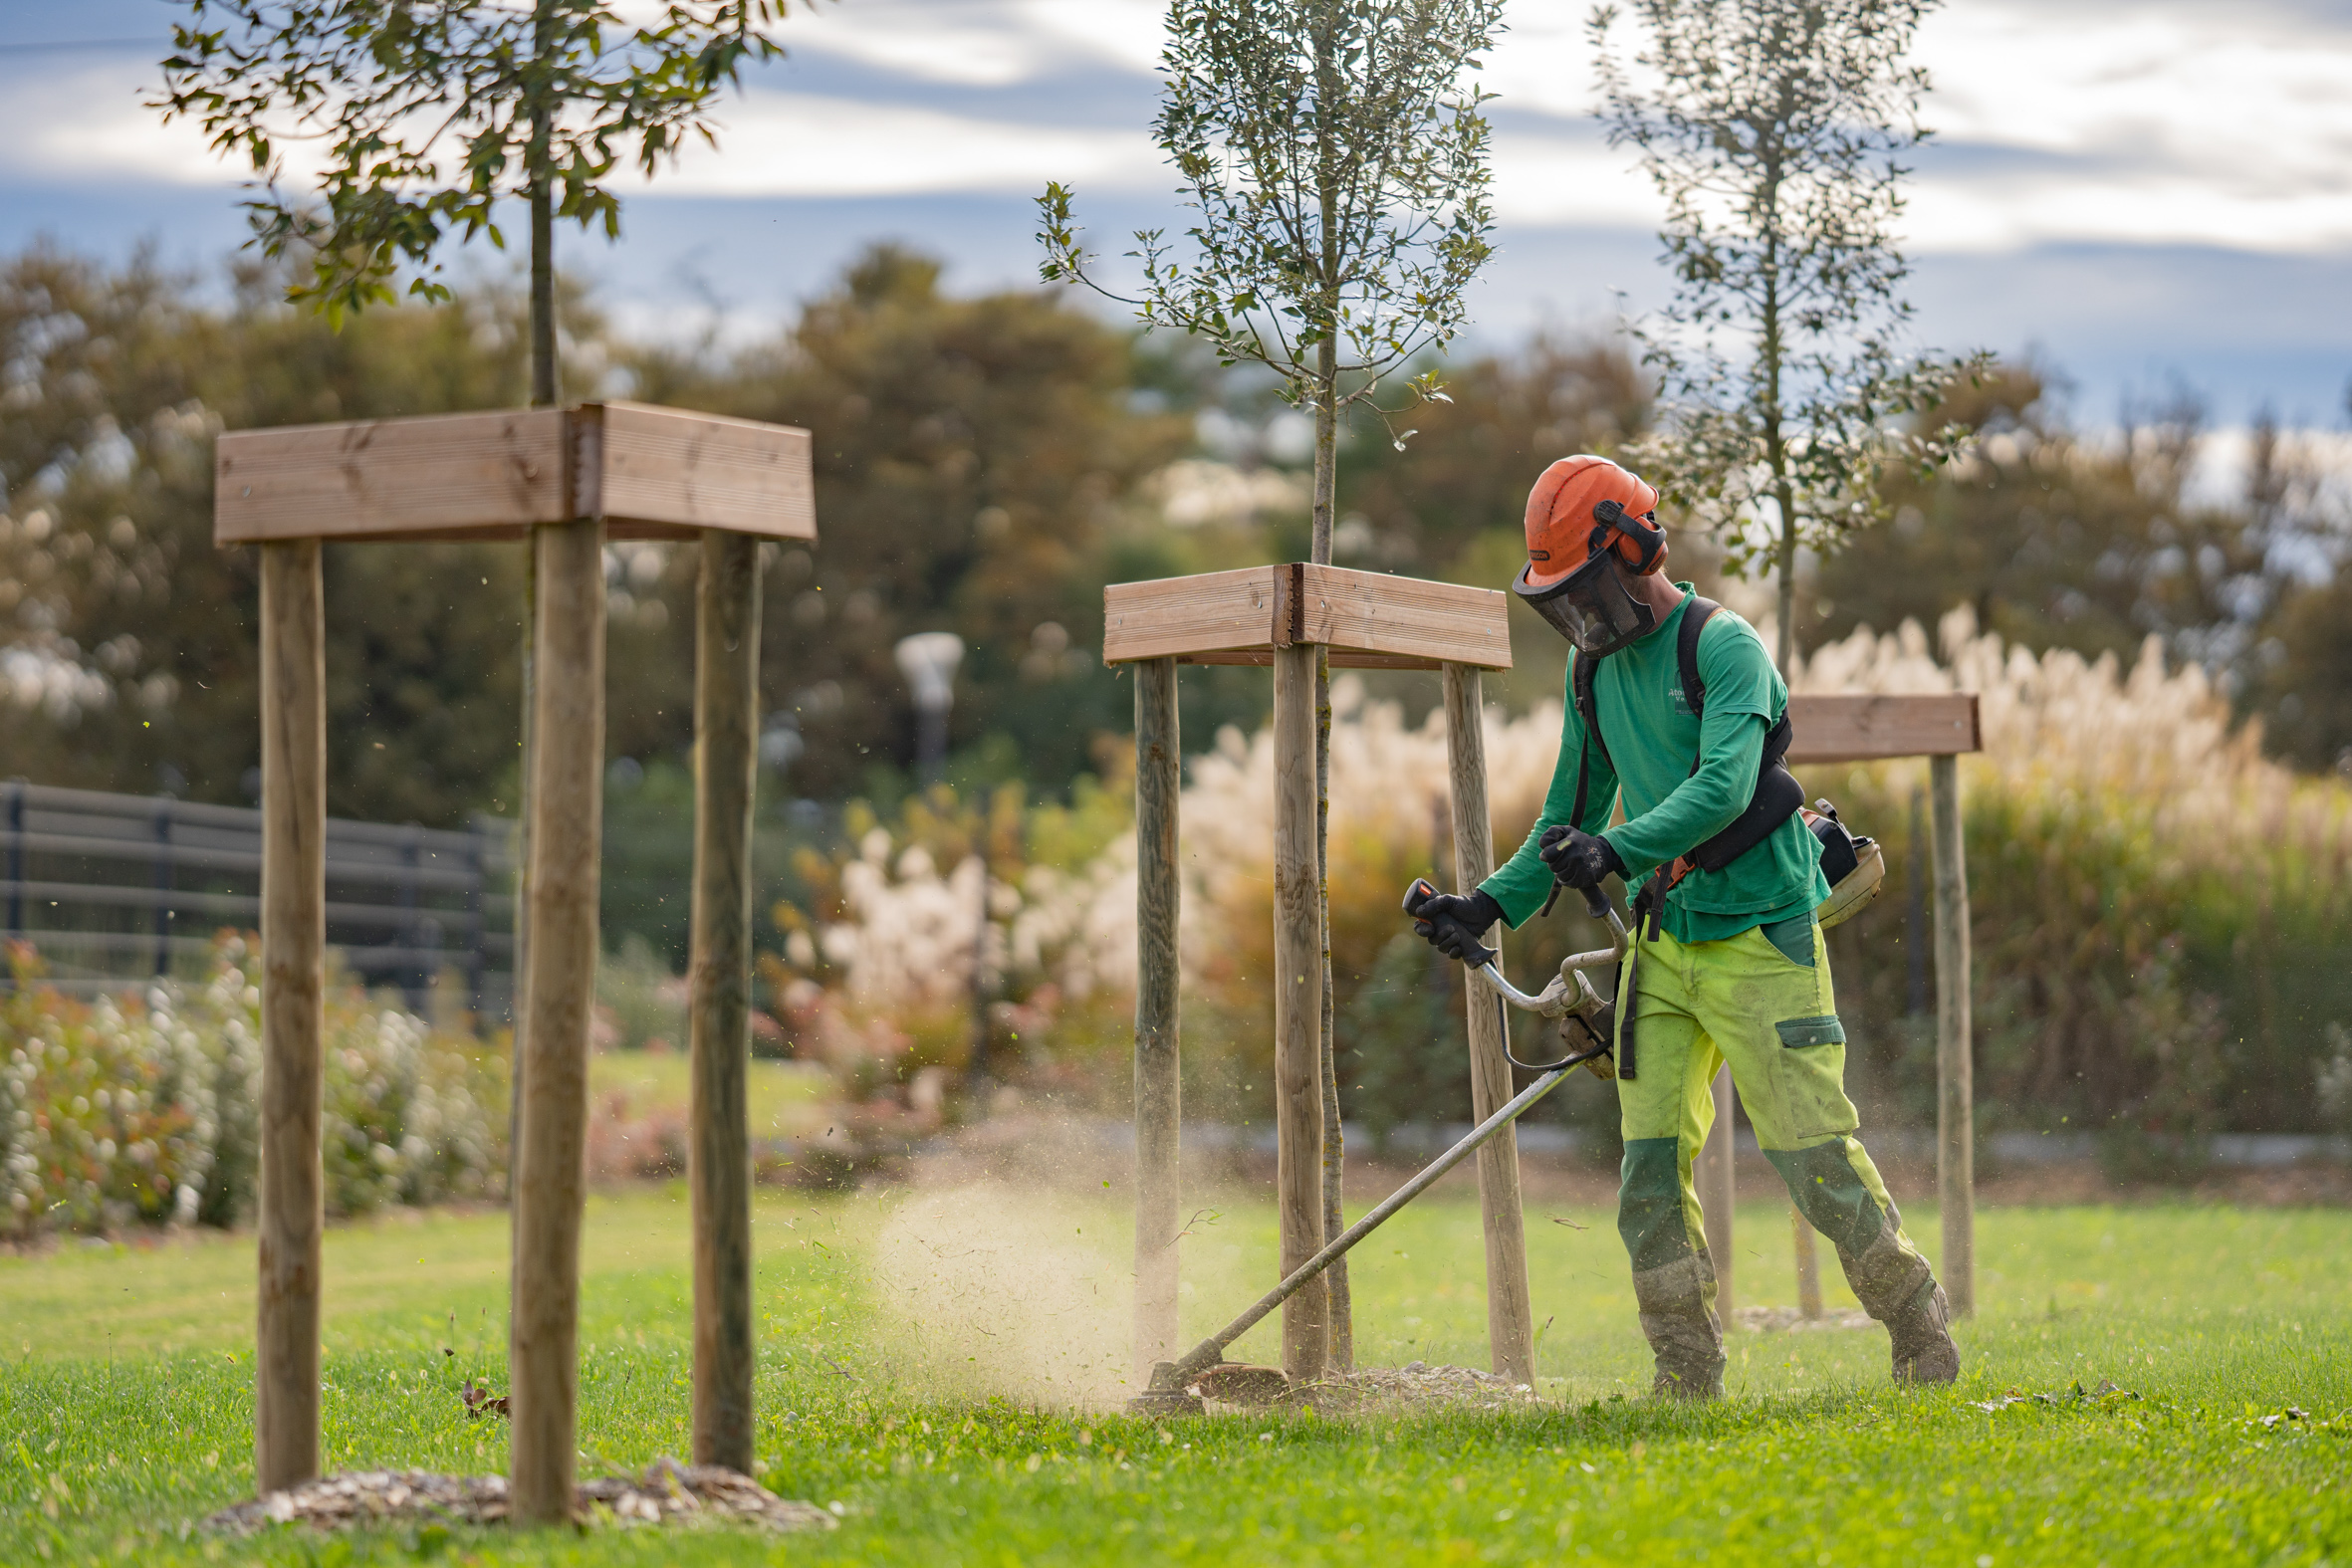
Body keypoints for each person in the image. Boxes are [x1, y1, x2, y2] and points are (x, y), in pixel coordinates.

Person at [1410, 454, 1960, 1399]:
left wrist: (1618, 851)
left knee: (1814, 1159)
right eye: (1561, 600)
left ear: (1637, 548)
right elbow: (1566, 809)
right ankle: (1686, 1371)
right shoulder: (1593, 673)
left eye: (1587, 589)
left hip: (1762, 935)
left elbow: (1726, 786)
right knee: (1649, 1170)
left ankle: (1919, 1327)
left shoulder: (1724, 647)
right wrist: (1488, 904)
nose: (1579, 617)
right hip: (1664, 948)